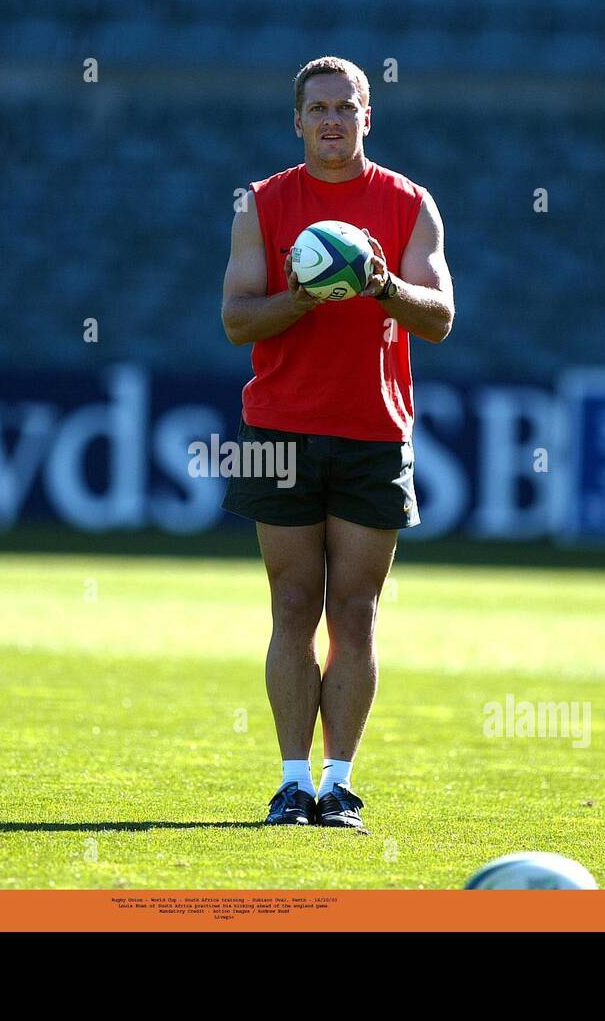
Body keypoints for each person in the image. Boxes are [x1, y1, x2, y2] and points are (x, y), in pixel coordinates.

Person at [219, 56, 454, 829]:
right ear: (297, 120)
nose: (331, 120)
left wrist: (380, 285)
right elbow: (236, 319)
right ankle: (292, 785)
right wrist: (303, 297)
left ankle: (339, 786)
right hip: (279, 429)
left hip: (373, 433)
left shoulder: (409, 203)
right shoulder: (261, 203)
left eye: (345, 107)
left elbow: (440, 316)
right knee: (293, 604)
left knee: (355, 613)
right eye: (317, 108)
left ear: (367, 117)